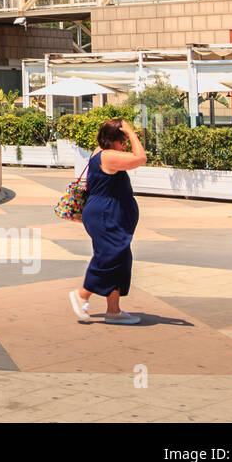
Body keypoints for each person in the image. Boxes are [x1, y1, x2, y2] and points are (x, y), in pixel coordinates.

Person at [69, 118, 145, 324]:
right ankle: (82, 294)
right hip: (105, 214)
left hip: (109, 213)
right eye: (122, 140)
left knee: (120, 259)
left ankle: (113, 310)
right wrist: (132, 133)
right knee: (109, 257)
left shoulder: (104, 152)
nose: (125, 144)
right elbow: (141, 158)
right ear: (113, 139)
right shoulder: (108, 156)